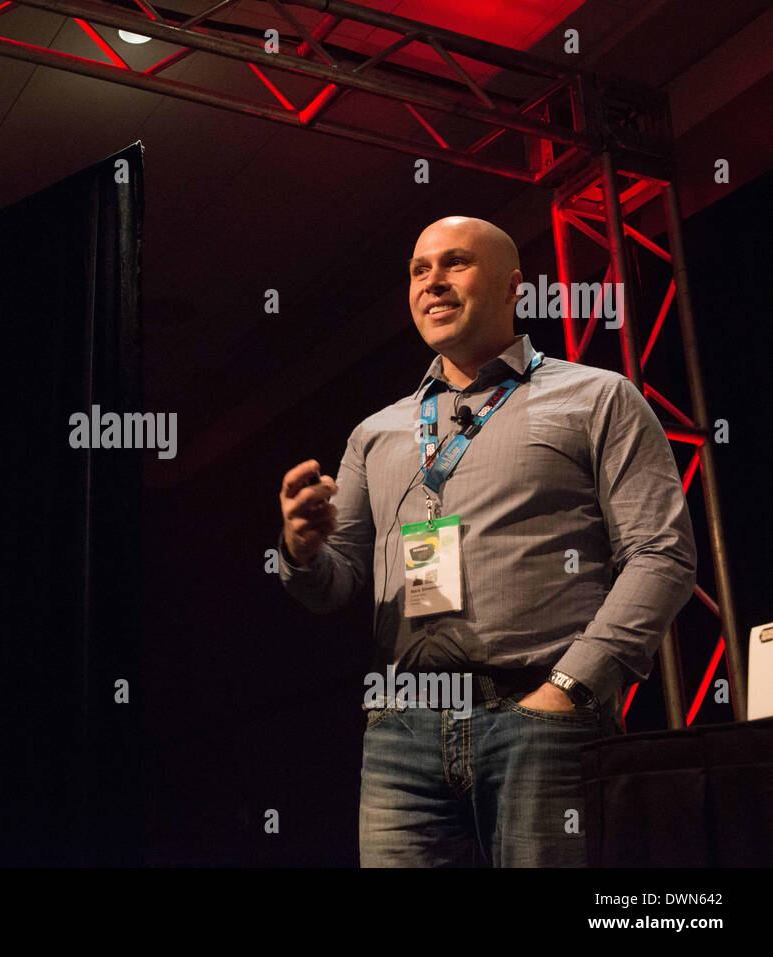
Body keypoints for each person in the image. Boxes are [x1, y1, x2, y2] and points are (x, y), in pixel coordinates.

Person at [277, 215, 696, 867]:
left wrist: (568, 687)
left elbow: (662, 555)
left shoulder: (596, 397)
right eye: (420, 269)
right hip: (402, 730)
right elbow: (337, 584)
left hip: (542, 718)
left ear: (514, 289)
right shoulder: (376, 433)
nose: (433, 281)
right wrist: (303, 551)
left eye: (456, 264)